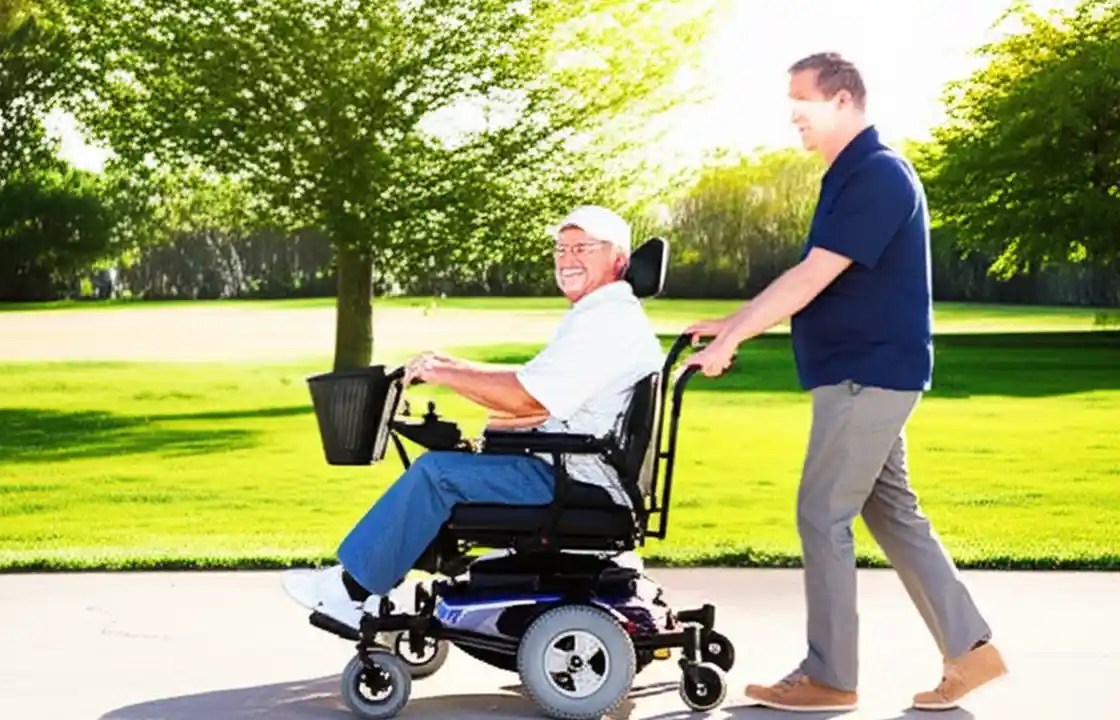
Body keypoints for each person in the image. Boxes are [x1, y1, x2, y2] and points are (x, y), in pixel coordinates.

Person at [681, 52, 1006, 712]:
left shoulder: (877, 175)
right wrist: (732, 320)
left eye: (802, 101)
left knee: (821, 512)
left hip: (867, 374)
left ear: (844, 100)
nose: (792, 114)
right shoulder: (848, 177)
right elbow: (813, 280)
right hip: (865, 372)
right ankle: (971, 651)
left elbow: (811, 277)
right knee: (893, 514)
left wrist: (735, 337)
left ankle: (830, 677)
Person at [283, 204, 665, 630]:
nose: (567, 258)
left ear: (619, 259)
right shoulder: (604, 315)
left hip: (576, 478)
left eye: (583, 248)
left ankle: (350, 591)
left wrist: (444, 373)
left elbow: (525, 397)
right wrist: (453, 366)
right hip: (579, 467)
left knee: (436, 473)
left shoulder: (606, 322)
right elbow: (535, 388)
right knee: (455, 457)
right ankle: (377, 583)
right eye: (561, 248)